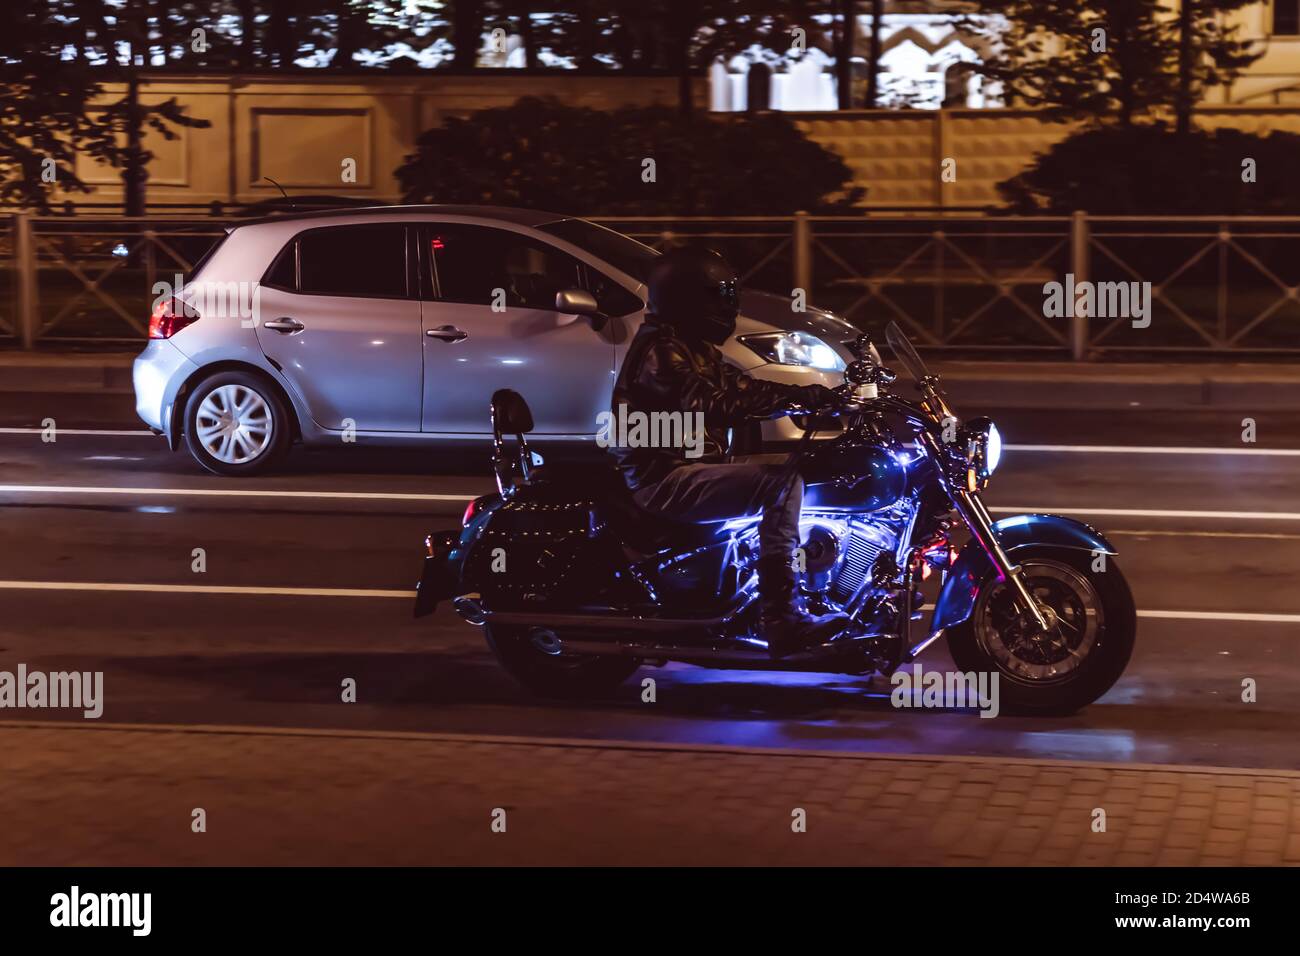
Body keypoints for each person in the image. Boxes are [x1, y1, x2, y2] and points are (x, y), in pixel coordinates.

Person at [610, 245, 852, 657]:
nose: (728, 305)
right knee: (780, 485)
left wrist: (814, 394)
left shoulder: (690, 344)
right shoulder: (661, 353)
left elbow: (742, 387)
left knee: (800, 469)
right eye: (718, 296)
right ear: (687, 298)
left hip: (690, 466)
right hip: (664, 479)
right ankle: (782, 617)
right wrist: (800, 399)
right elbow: (711, 403)